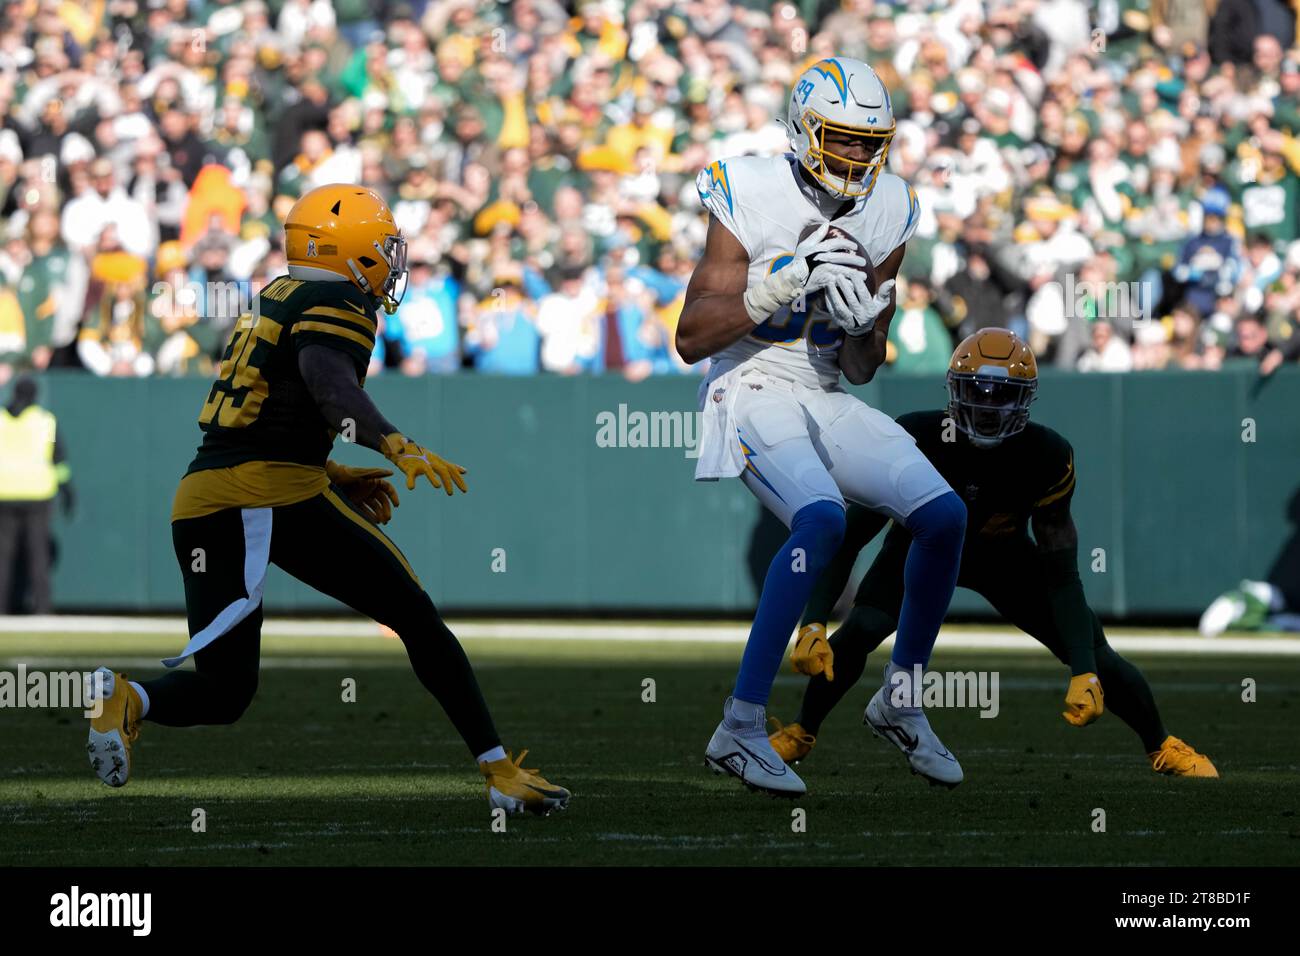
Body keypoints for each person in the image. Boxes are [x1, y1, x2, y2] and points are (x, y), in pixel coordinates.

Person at [85, 184, 570, 815]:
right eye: (383, 247)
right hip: (268, 499)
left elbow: (267, 411)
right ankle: (500, 773)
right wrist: (393, 442)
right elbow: (327, 385)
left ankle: (128, 699)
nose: (391, 262)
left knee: (225, 692)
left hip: (205, 498)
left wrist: (331, 467)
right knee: (416, 618)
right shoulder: (336, 296)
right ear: (349, 249)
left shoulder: (276, 295)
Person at [677, 57, 968, 796]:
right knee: (822, 520)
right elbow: (690, 336)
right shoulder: (747, 188)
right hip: (747, 383)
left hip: (824, 385)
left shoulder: (891, 207)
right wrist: (770, 287)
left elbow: (866, 368)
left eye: (872, 143)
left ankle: (901, 697)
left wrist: (868, 326)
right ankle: (739, 726)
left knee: (943, 516)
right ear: (805, 132)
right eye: (843, 139)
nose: (860, 157)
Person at [769, 329, 1218, 779]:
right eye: (976, 392)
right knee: (862, 628)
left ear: (1026, 400)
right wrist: (814, 619)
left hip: (1001, 556)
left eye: (1002, 395)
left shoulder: (1047, 454)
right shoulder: (918, 435)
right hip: (919, 547)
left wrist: (1083, 669)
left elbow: (1062, 574)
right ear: (952, 390)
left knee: (1096, 652)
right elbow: (852, 535)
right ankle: (801, 731)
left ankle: (1162, 744)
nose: (986, 408)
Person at [0, 375, 73, 613]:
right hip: (38, 495)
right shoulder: (46, 423)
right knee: (38, 554)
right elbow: (57, 457)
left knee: (3, 555)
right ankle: (43, 609)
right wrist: (67, 491)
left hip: (5, 492)